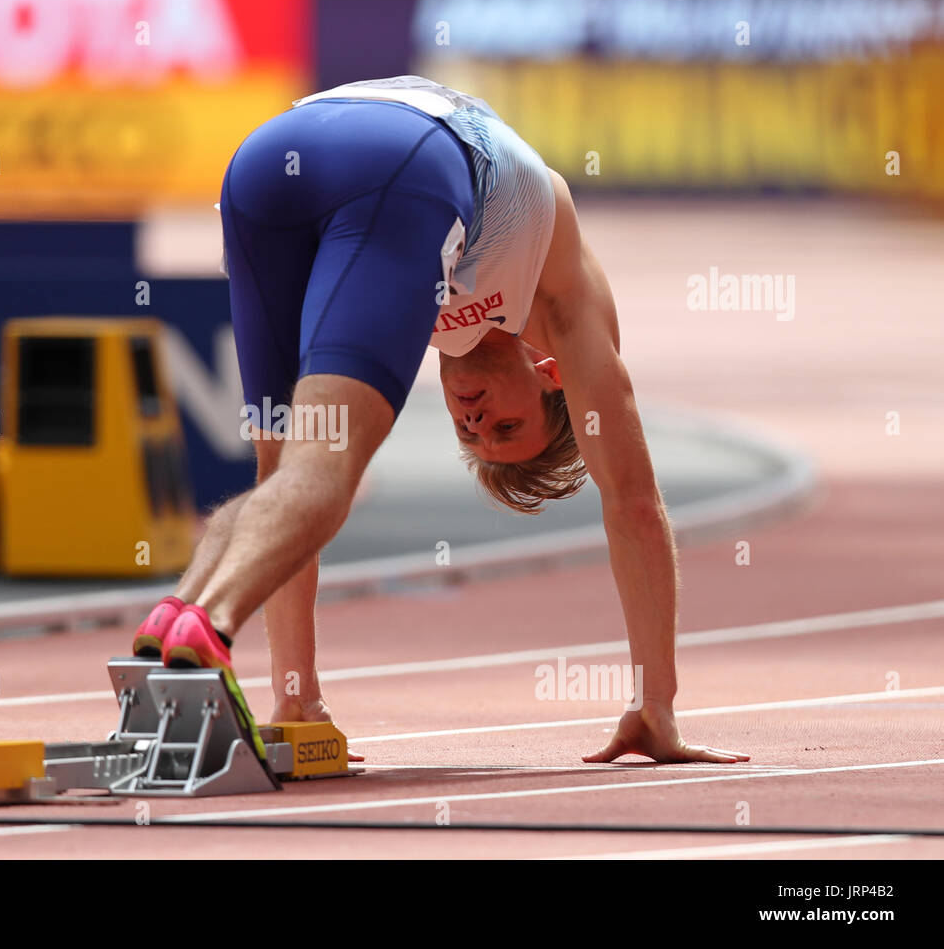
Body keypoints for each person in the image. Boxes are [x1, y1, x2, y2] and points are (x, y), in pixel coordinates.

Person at [132, 76, 748, 766]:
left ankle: (193, 620)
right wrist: (656, 700)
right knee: (328, 470)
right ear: (552, 376)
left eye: (472, 436)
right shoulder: (566, 305)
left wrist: (297, 704)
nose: (475, 421)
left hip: (267, 163)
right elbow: (633, 501)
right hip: (405, 163)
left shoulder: (426, 282)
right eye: (506, 429)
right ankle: (210, 624)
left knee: (281, 470)